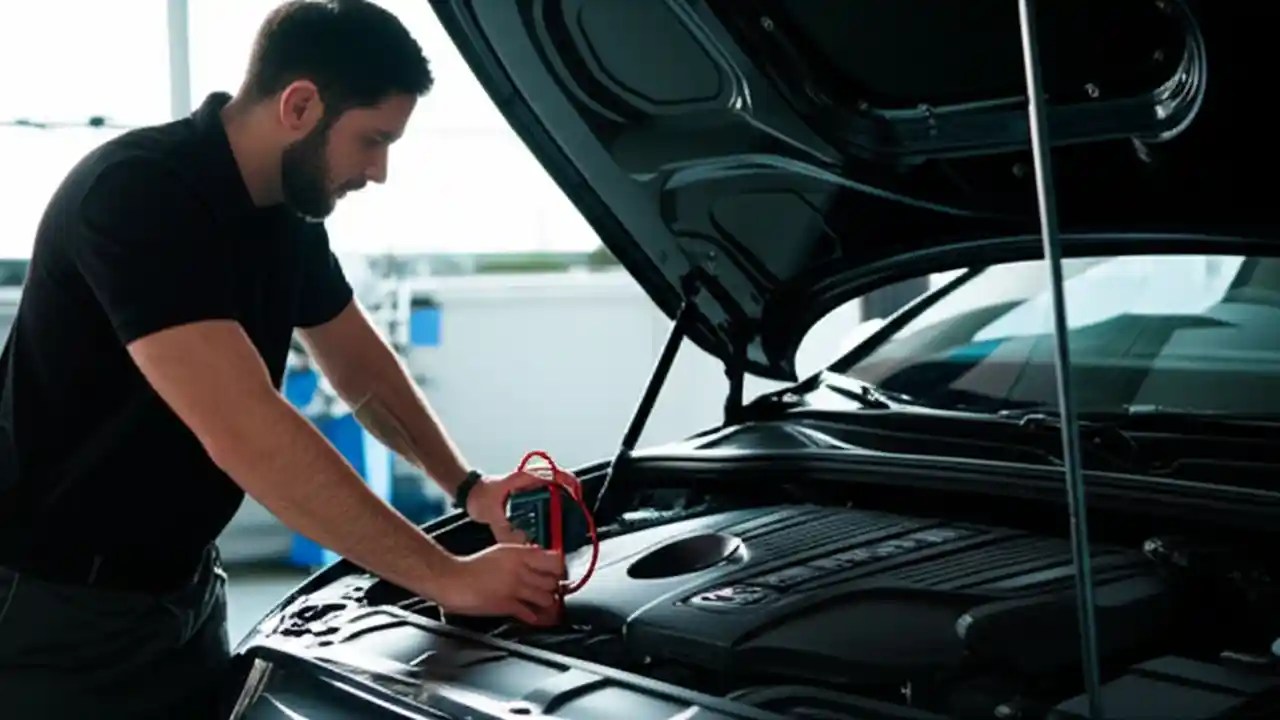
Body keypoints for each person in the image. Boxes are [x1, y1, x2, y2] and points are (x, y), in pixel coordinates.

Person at [0, 1, 565, 717]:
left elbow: (360, 369)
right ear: (300, 105)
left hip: (185, 593)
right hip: (51, 607)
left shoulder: (285, 218)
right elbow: (246, 430)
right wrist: (444, 577)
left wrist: (468, 487)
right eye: (371, 140)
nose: (379, 170)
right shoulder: (137, 195)